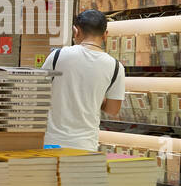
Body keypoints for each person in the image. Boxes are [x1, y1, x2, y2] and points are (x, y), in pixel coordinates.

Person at [40, 8, 124, 151]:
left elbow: (39, 92)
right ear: (105, 35)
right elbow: (113, 109)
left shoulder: (58, 56)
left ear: (76, 31)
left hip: (51, 142)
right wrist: (94, 96)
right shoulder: (116, 66)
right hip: (86, 145)